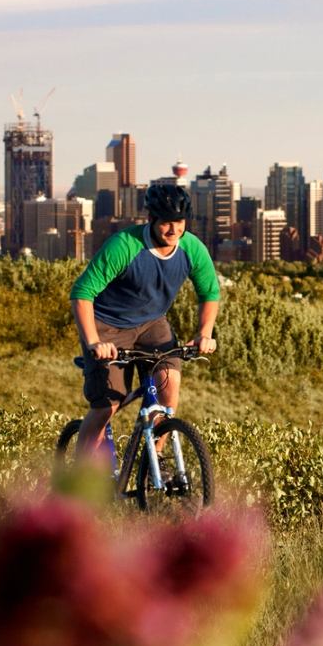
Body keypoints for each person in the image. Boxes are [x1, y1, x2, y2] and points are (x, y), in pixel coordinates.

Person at [69, 182, 219, 457]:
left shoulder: (192, 248)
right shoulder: (124, 245)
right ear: (150, 219)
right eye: (166, 223)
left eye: (179, 222)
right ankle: (77, 479)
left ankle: (155, 459)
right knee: (106, 405)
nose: (174, 230)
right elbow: (82, 293)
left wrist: (204, 333)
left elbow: (209, 292)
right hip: (107, 324)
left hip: (152, 323)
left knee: (169, 384)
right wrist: (93, 341)